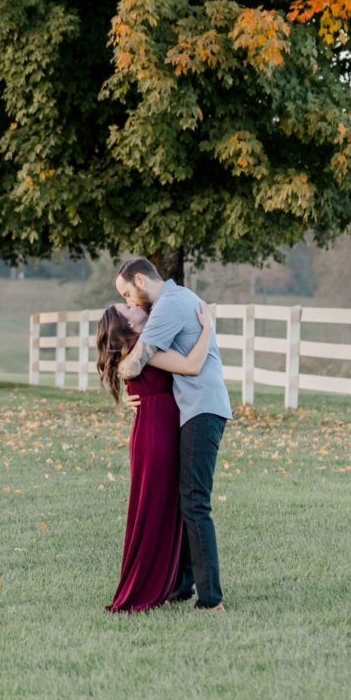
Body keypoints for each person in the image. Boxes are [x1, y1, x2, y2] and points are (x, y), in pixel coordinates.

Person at [115, 257, 231, 613]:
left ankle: (211, 601)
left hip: (201, 409)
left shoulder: (167, 306)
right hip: (197, 408)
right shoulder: (179, 298)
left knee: (195, 501)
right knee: (186, 499)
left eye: (127, 295)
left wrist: (125, 369)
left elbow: (134, 362)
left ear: (140, 279)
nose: (130, 303)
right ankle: (182, 585)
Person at [97, 299, 215, 613]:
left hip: (156, 426)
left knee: (166, 508)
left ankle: (173, 581)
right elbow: (192, 365)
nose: (131, 304)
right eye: (125, 308)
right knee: (154, 510)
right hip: (157, 434)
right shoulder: (142, 348)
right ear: (127, 326)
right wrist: (208, 330)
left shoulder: (142, 346)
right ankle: (147, 584)